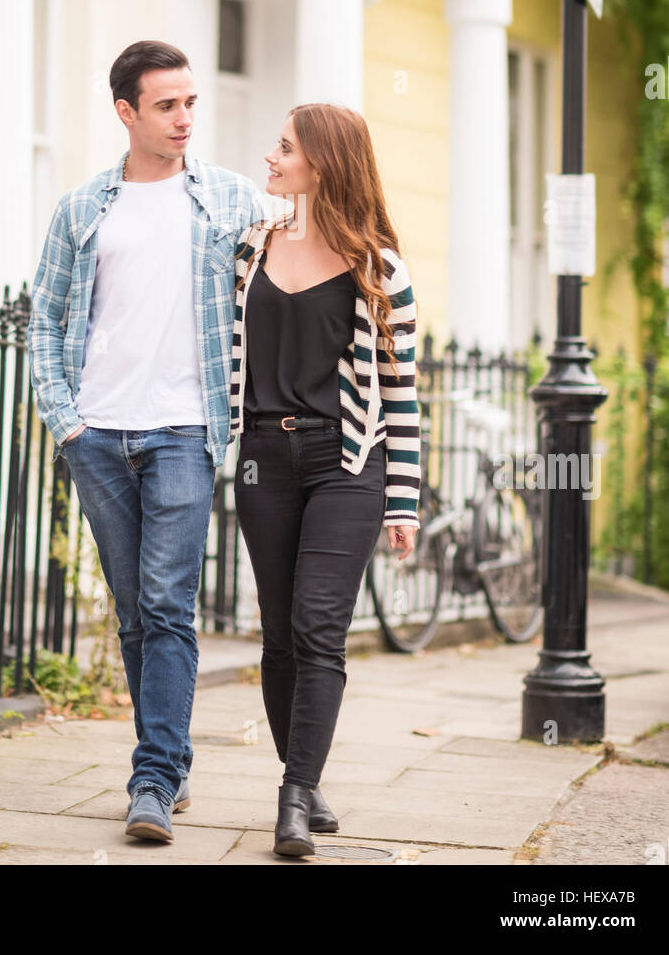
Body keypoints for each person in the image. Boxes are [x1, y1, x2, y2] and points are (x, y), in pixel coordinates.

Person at [27, 39, 273, 844]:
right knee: (135, 613)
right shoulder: (82, 208)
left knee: (168, 603)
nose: (184, 118)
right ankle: (168, 761)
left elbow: (315, 248)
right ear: (126, 111)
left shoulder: (232, 200)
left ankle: (153, 779)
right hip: (97, 431)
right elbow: (45, 319)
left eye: (191, 102)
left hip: (183, 430)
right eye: (167, 104)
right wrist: (67, 420)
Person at [230, 102, 421, 857]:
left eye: (284, 148)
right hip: (261, 459)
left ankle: (289, 800)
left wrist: (402, 498)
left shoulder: (379, 266)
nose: (270, 157)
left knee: (318, 629)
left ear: (322, 162)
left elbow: (402, 393)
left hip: (345, 465)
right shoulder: (252, 246)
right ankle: (304, 778)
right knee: (277, 637)